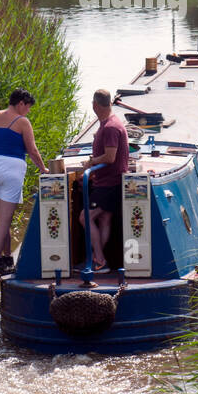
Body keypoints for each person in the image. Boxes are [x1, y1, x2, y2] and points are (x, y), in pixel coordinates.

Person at [0, 89, 47, 273]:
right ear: (21, 103)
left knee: (2, 220)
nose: (28, 111)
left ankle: (7, 258)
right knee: (4, 220)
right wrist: (43, 169)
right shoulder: (22, 122)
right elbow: (33, 150)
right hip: (11, 169)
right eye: (28, 107)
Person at [78, 88, 129, 273]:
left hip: (108, 184)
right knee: (105, 219)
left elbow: (110, 157)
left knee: (85, 217)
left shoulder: (109, 127)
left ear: (94, 105)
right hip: (112, 182)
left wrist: (91, 162)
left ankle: (99, 260)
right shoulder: (110, 124)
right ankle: (99, 261)